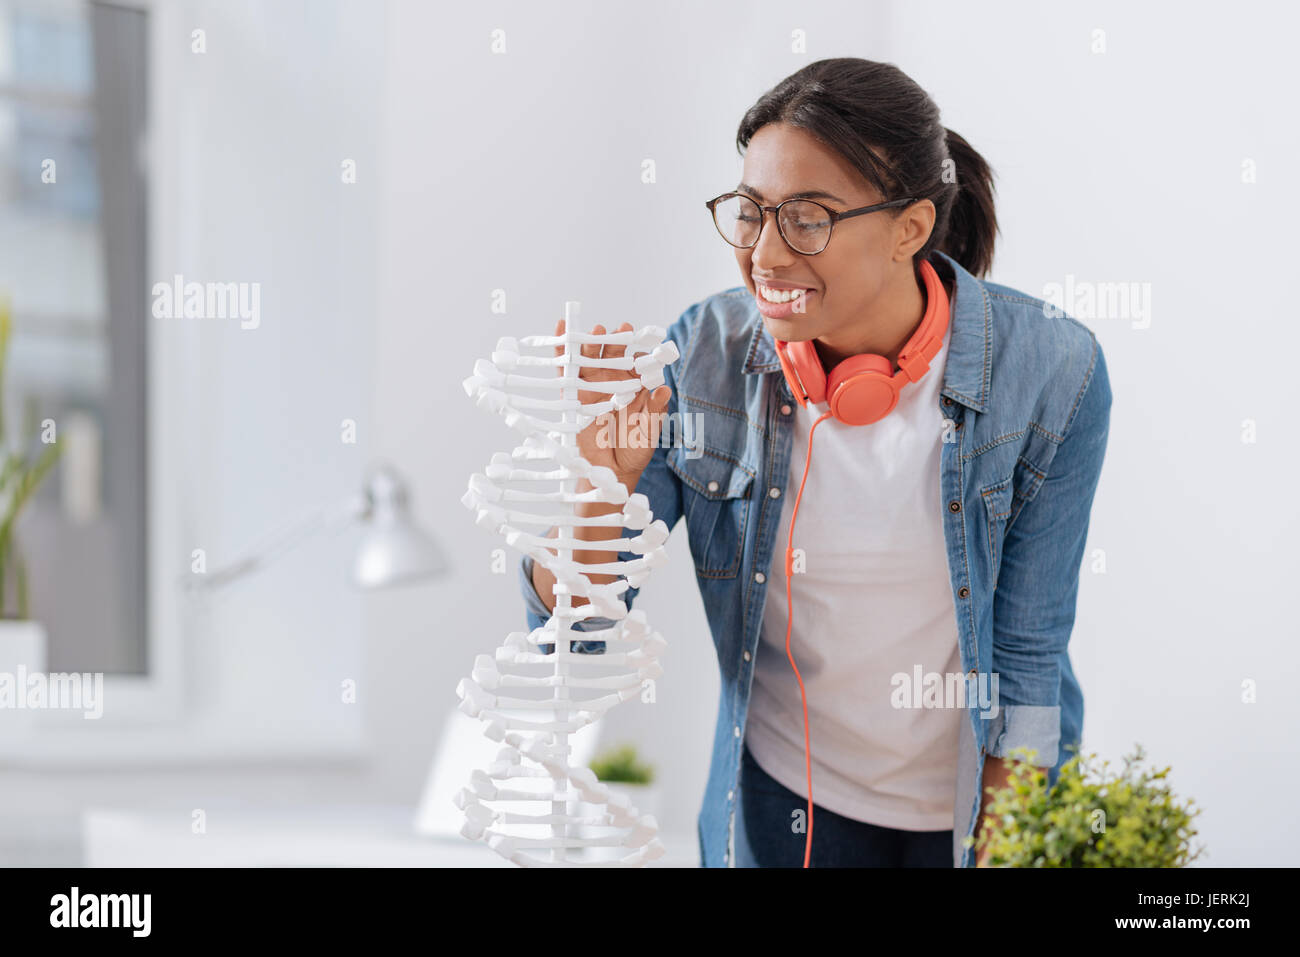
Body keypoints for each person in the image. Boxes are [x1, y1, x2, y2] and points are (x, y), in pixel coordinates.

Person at [520, 57, 1111, 868]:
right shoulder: (705, 360)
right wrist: (594, 489)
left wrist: (1005, 850)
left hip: (978, 799)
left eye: (806, 218)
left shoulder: (1051, 371)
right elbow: (572, 637)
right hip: (783, 802)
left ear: (911, 227)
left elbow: (1029, 653)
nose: (764, 253)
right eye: (750, 213)